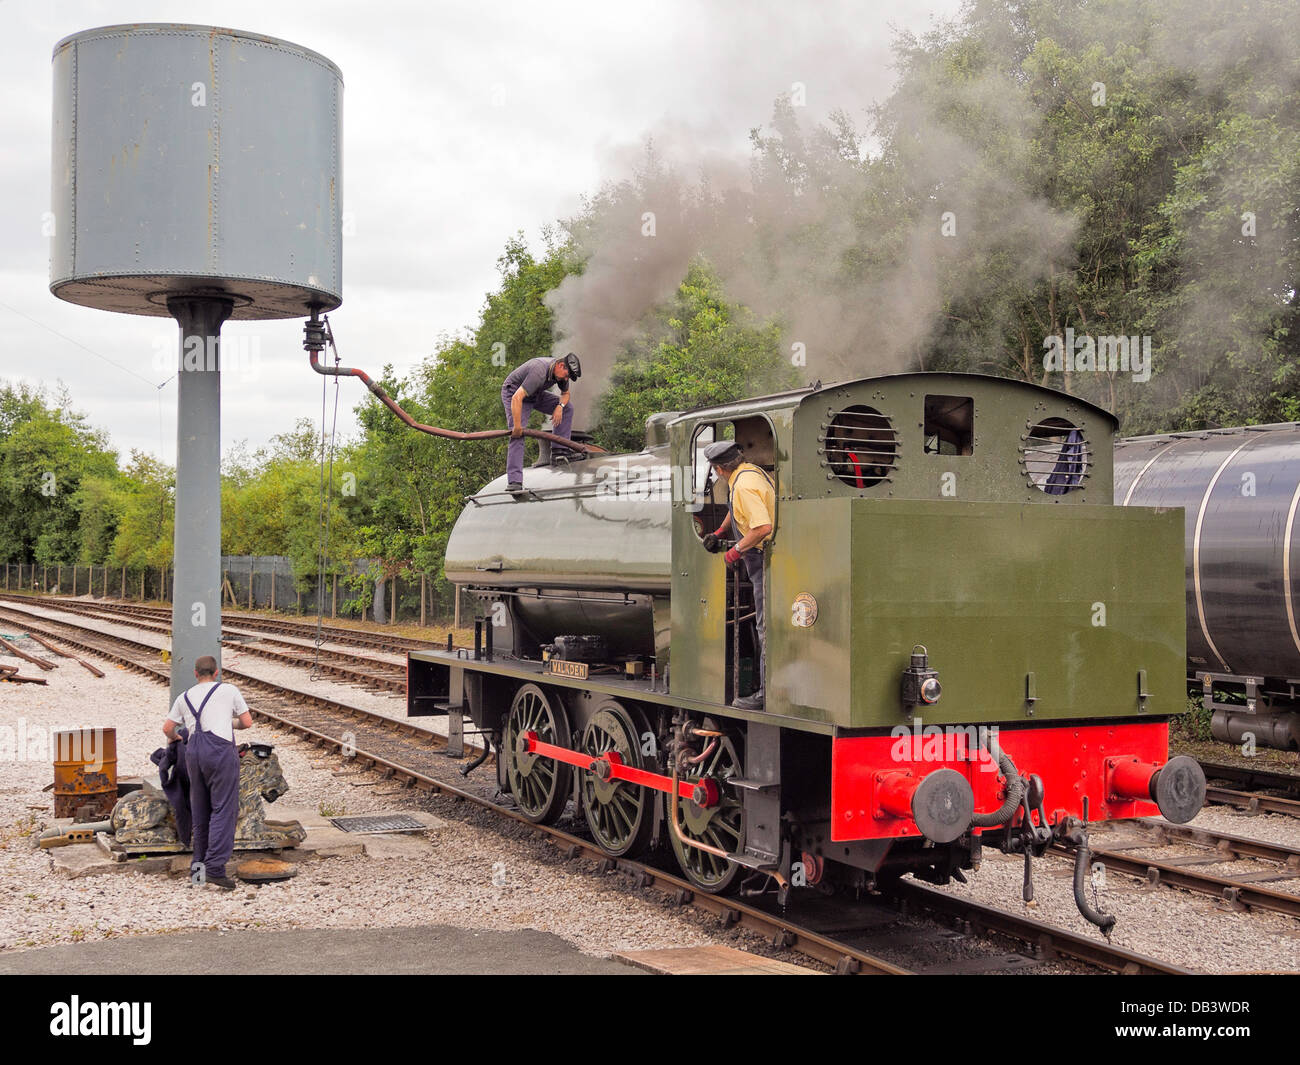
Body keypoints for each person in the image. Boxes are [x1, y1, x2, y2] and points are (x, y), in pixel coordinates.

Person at [163, 655, 252, 890]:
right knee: (223, 808)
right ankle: (215, 868)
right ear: (216, 673)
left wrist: (177, 737)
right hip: (220, 753)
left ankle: (199, 871)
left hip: (194, 753)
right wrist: (227, 722)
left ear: (195, 674)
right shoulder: (229, 690)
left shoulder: (184, 697)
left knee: (200, 811)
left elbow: (168, 728)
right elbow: (247, 722)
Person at [701, 439, 776, 710]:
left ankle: (766, 695)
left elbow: (762, 526)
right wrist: (721, 532)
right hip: (759, 556)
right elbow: (738, 511)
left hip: (760, 558)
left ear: (719, 469)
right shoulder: (750, 473)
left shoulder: (743, 486)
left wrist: (735, 550)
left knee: (764, 626)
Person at [501, 353, 582, 491]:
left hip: (535, 393)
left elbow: (566, 394)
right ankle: (514, 481)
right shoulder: (538, 371)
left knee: (568, 408)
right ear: (561, 365)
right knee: (518, 434)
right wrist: (517, 426)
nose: (566, 379)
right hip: (514, 393)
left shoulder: (561, 374)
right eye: (567, 375)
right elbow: (517, 397)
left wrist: (559, 407)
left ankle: (559, 452)